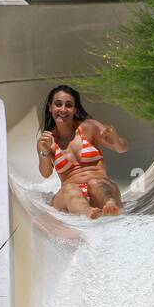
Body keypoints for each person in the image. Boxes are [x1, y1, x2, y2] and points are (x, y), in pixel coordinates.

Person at [37, 85, 129, 218]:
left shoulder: (89, 127)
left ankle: (110, 205)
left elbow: (122, 148)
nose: (63, 109)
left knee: (96, 183)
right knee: (70, 189)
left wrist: (116, 140)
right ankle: (87, 212)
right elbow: (45, 173)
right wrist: (45, 152)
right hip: (71, 195)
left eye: (68, 105)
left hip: (100, 188)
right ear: (50, 108)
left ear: (75, 109)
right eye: (58, 104)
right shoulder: (47, 141)